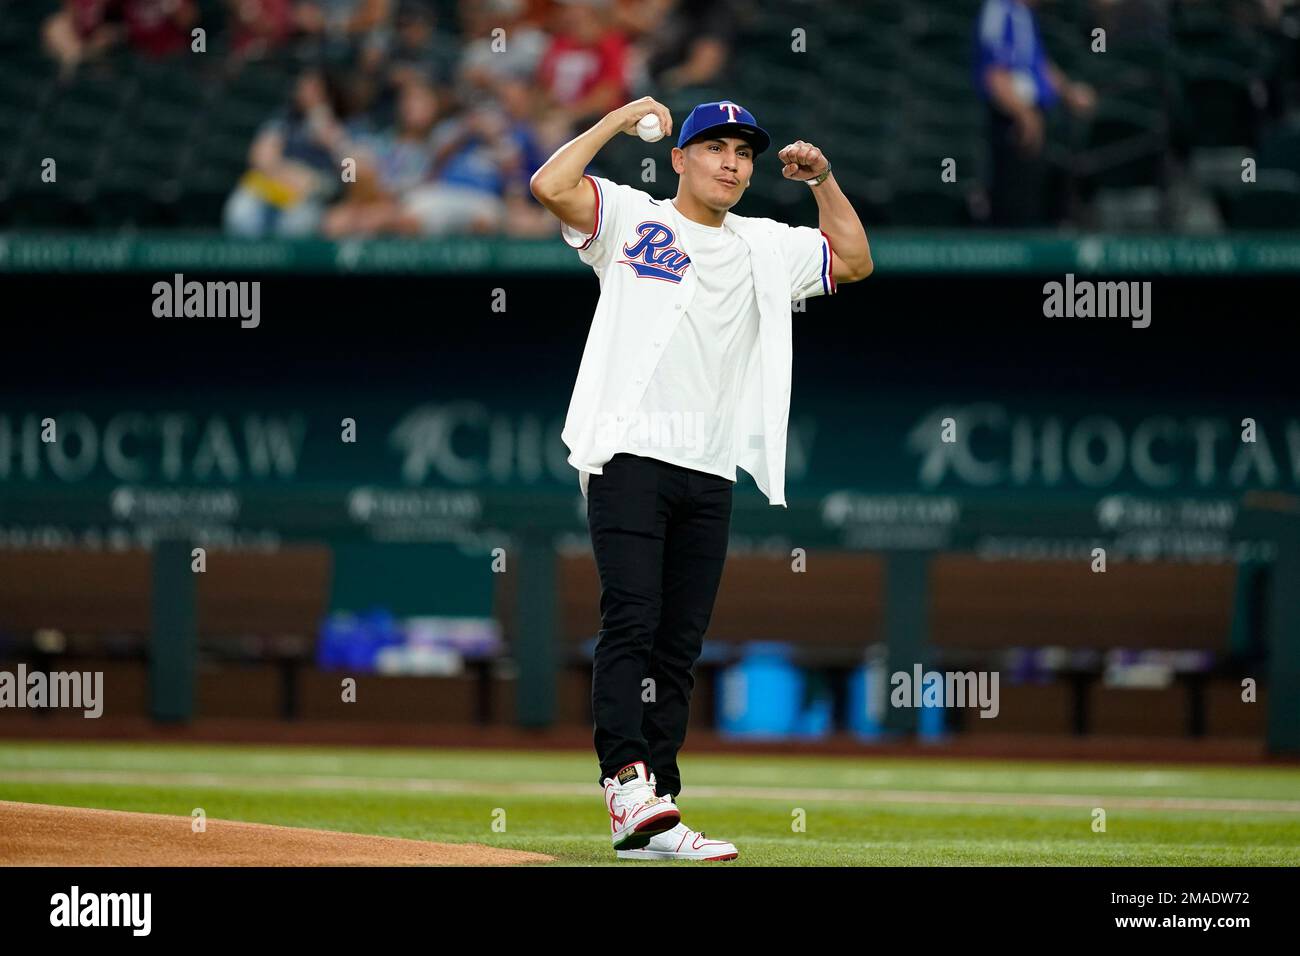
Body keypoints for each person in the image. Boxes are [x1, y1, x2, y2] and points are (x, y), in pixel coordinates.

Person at [529, 96, 873, 861]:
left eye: (744, 153)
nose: (731, 163)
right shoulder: (630, 216)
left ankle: (659, 810)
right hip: (628, 450)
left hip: (710, 466)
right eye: (714, 147)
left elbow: (853, 260)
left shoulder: (763, 245)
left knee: (680, 643)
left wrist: (824, 182)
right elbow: (551, 186)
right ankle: (624, 779)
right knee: (633, 617)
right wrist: (619, 122)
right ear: (679, 157)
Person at [974, 0, 1096, 226]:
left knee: (1040, 200)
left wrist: (1070, 92)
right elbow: (994, 74)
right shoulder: (999, 8)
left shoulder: (1026, 15)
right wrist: (1024, 114)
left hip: (1036, 115)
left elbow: (1038, 64)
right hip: (1012, 120)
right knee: (1013, 205)